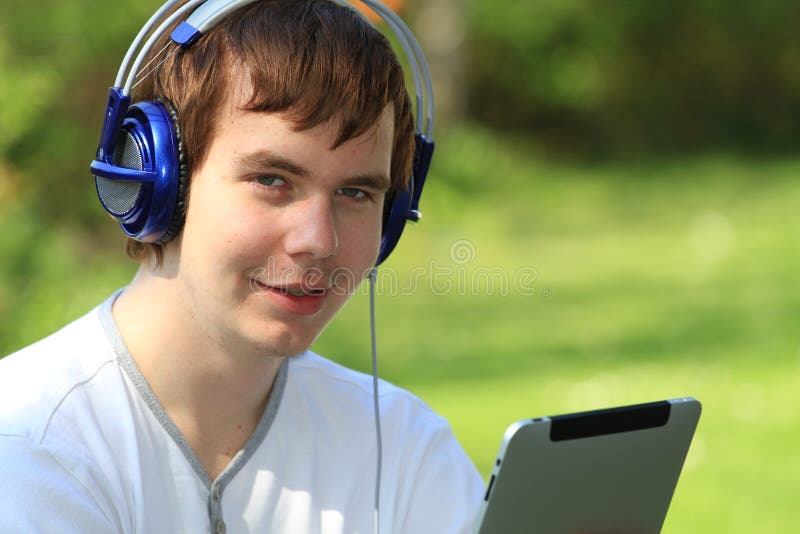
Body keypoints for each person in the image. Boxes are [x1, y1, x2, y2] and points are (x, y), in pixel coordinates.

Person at [0, 1, 485, 532]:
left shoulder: (404, 448)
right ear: (156, 183)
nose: (319, 241)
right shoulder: (28, 444)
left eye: (355, 192)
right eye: (272, 180)